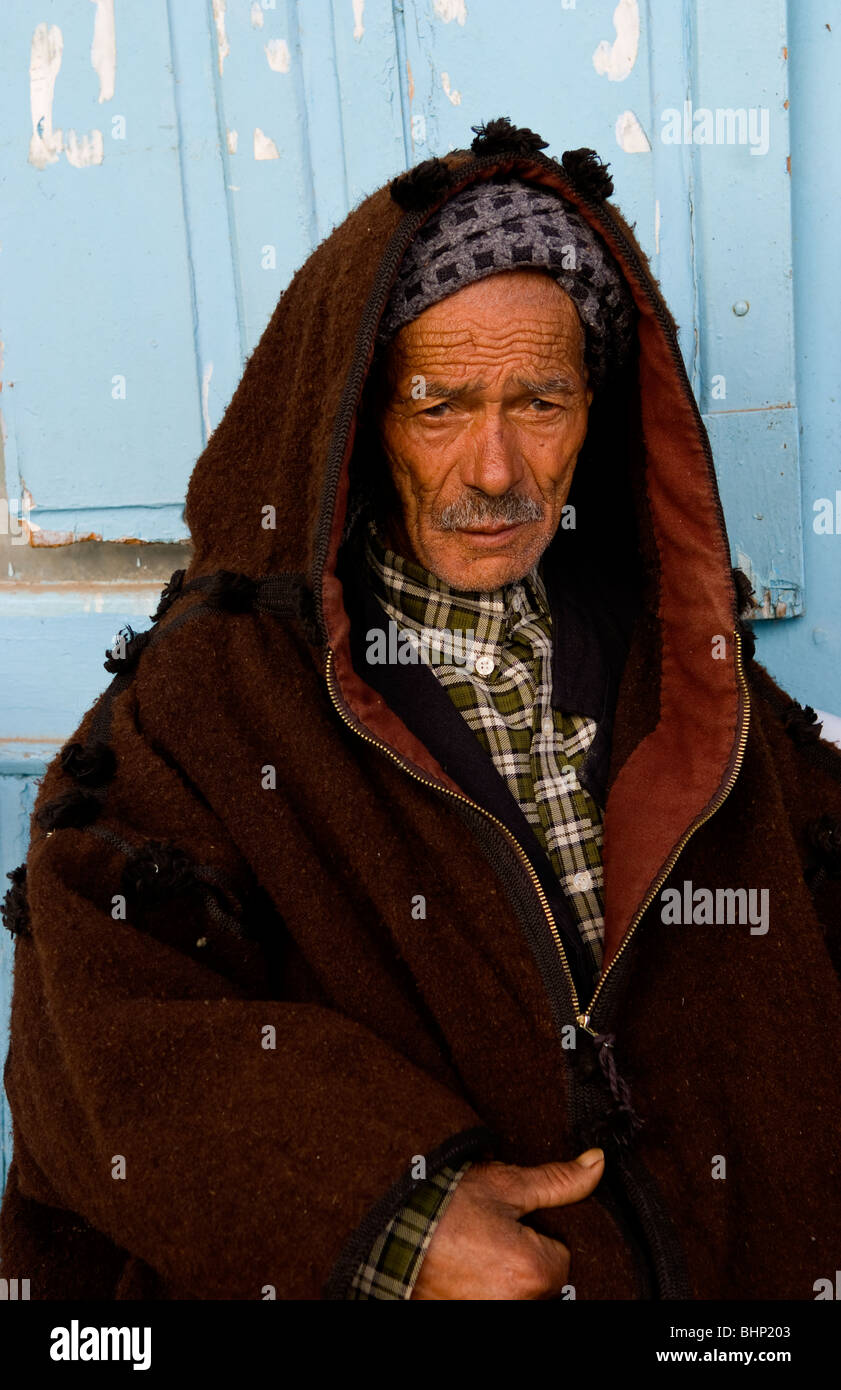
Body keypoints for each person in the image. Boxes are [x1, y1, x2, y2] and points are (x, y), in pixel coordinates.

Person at [2, 118, 840, 1301]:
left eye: (540, 402)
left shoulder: (687, 675)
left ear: (593, 416)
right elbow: (97, 1048)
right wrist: (394, 1217)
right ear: (357, 425)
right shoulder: (212, 706)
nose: (496, 471)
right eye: (439, 406)